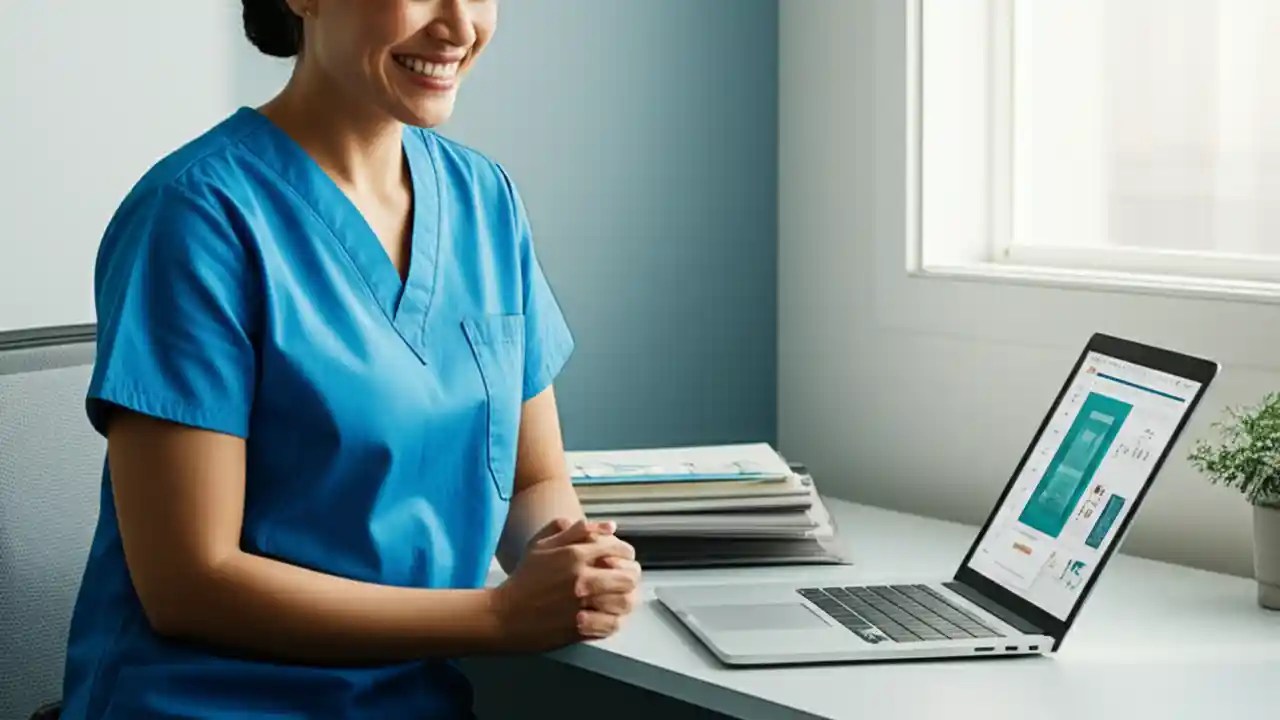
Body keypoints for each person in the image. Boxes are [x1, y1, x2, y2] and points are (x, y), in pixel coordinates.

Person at [59, 1, 641, 717]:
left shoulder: (485, 201)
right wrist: (500, 617)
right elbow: (190, 583)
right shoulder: (196, 216)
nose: (459, 26)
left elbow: (534, 480)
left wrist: (570, 564)